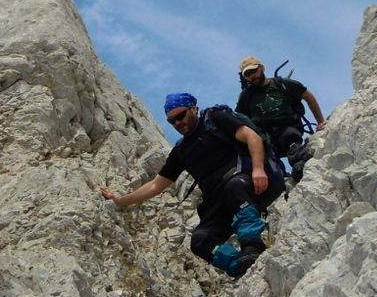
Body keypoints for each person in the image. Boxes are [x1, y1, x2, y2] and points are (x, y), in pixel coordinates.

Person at [98, 92, 285, 278]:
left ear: (194, 108)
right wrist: (121, 201)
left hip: (255, 183)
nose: (178, 123)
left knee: (234, 185)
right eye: (172, 121)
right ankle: (239, 266)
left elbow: (251, 137)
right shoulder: (182, 151)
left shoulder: (216, 119)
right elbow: (156, 185)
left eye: (181, 116)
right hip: (225, 202)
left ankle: (252, 245)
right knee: (200, 240)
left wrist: (258, 169)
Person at [234, 56, 326, 180]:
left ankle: (302, 164)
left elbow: (307, 96)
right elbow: (239, 121)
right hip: (266, 137)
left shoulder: (281, 84)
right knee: (266, 158)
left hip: (288, 129)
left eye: (254, 71)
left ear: (262, 68)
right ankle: (280, 179)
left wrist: (320, 122)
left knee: (290, 139)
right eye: (248, 74)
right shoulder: (246, 97)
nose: (252, 76)